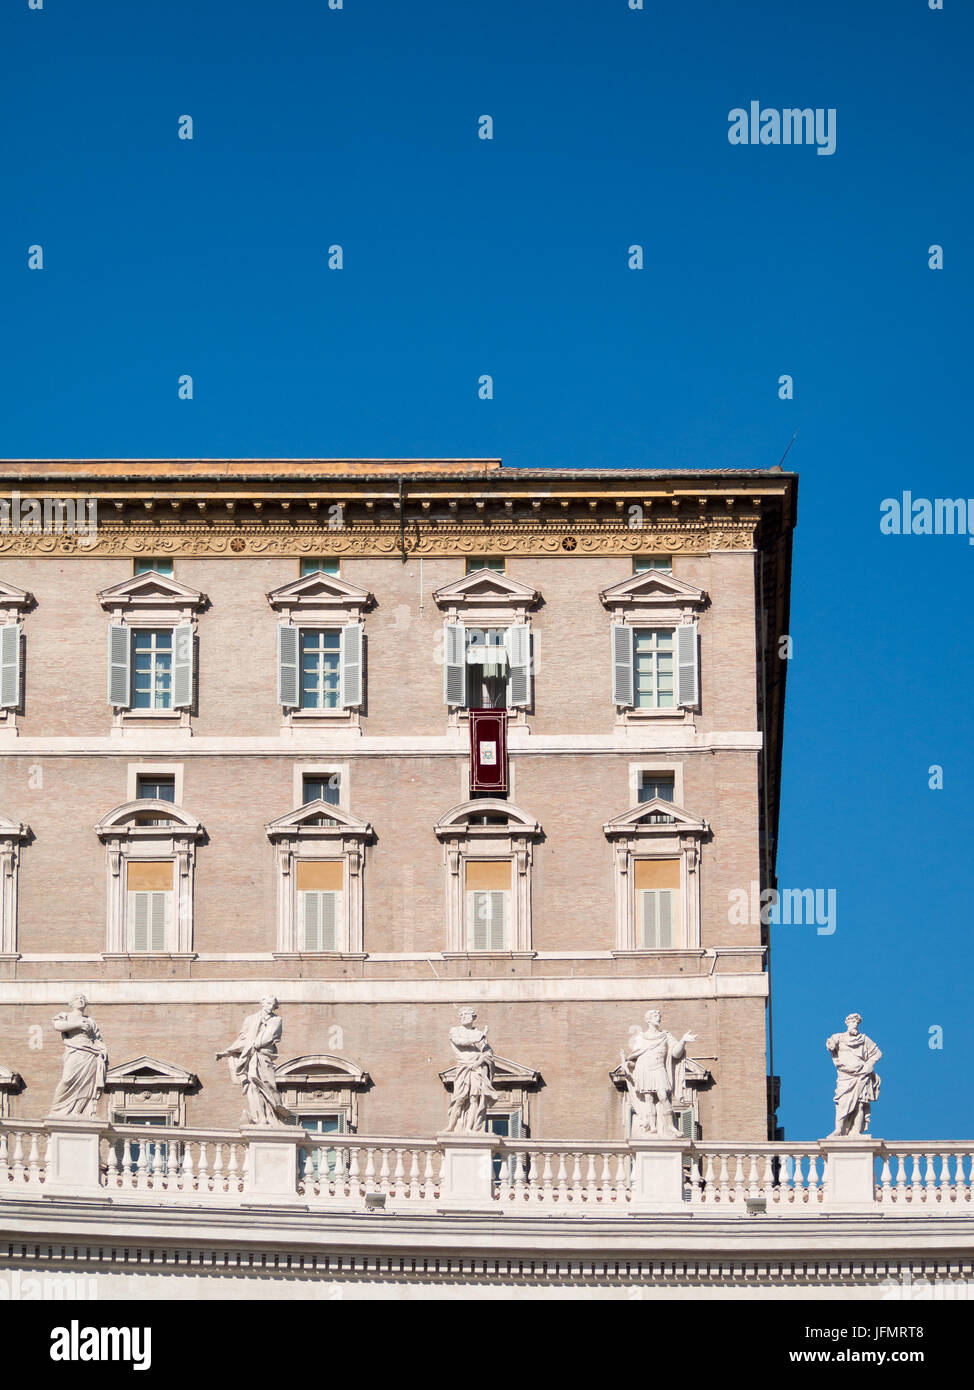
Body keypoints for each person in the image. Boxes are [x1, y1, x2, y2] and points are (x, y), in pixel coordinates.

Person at [216, 996, 292, 1126]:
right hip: (251, 1057)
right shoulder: (250, 1020)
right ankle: (260, 1117)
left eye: (273, 1004)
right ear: (262, 1004)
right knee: (252, 1085)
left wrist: (251, 1045)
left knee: (268, 1084)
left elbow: (268, 1037)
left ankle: (276, 1108)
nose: (271, 1006)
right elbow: (242, 1039)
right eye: (268, 1003)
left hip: (263, 1056)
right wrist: (227, 1051)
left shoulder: (276, 1020)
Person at [622, 1009, 696, 1137]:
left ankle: (671, 1127)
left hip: (659, 1068)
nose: (658, 1017)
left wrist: (683, 1041)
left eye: (659, 1015)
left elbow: (675, 1054)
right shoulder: (641, 1038)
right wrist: (628, 1064)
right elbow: (635, 1057)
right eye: (655, 1015)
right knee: (648, 1098)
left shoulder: (666, 1035)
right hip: (644, 1068)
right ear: (648, 1020)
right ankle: (652, 1126)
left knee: (663, 1096)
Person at [50, 995, 108, 1118]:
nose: (81, 1000)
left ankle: (78, 1110)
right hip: (75, 1050)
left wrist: (102, 1050)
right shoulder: (65, 1015)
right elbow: (57, 1025)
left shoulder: (91, 1021)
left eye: (83, 998)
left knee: (86, 1084)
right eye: (77, 998)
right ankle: (58, 1109)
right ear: (71, 1003)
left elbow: (97, 1039)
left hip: (90, 1054)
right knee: (67, 1079)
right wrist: (77, 1025)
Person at [826, 1013, 881, 1136]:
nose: (855, 1025)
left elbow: (877, 1053)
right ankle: (839, 1129)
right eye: (853, 1023)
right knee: (842, 1101)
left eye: (857, 1023)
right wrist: (831, 1044)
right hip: (845, 1075)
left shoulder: (864, 1039)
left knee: (860, 1104)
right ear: (847, 1024)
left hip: (862, 1074)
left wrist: (870, 1064)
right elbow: (830, 1045)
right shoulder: (839, 1037)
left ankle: (856, 1131)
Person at [445, 1007, 499, 1133]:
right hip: (463, 1067)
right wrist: (480, 1037)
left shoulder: (478, 1034)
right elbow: (459, 1041)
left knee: (474, 1098)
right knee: (459, 1098)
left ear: (473, 1017)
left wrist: (479, 1062)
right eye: (461, 1015)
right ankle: (450, 1127)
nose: (463, 1017)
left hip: (476, 1069)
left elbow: (488, 1052)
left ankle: (469, 1128)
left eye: (466, 1014)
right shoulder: (455, 1031)